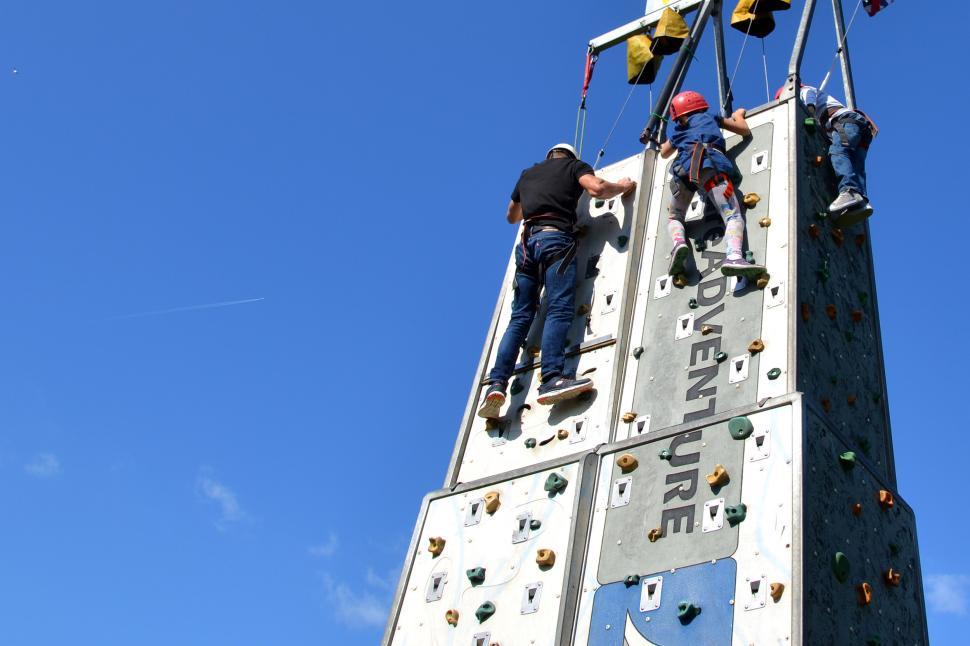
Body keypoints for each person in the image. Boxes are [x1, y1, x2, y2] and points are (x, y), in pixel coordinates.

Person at [476, 143, 636, 419]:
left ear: (550, 155)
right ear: (571, 157)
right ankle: (551, 378)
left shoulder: (528, 174)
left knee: (520, 317)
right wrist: (622, 186)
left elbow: (512, 216)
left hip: (527, 246)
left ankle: (498, 383)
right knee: (559, 307)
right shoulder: (574, 167)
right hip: (555, 238)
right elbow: (597, 188)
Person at [659, 90, 766, 279]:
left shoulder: (678, 131)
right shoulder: (709, 116)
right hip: (708, 165)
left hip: (683, 172)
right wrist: (738, 115)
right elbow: (743, 129)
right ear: (699, 105)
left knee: (675, 216)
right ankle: (733, 257)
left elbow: (664, 152)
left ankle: (679, 243)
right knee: (732, 215)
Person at [796, 84, 875, 228]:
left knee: (838, 152)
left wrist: (810, 115)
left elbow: (809, 101)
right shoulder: (823, 100)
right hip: (860, 128)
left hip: (845, 122)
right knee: (855, 164)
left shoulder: (804, 90)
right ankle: (860, 202)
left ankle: (849, 191)